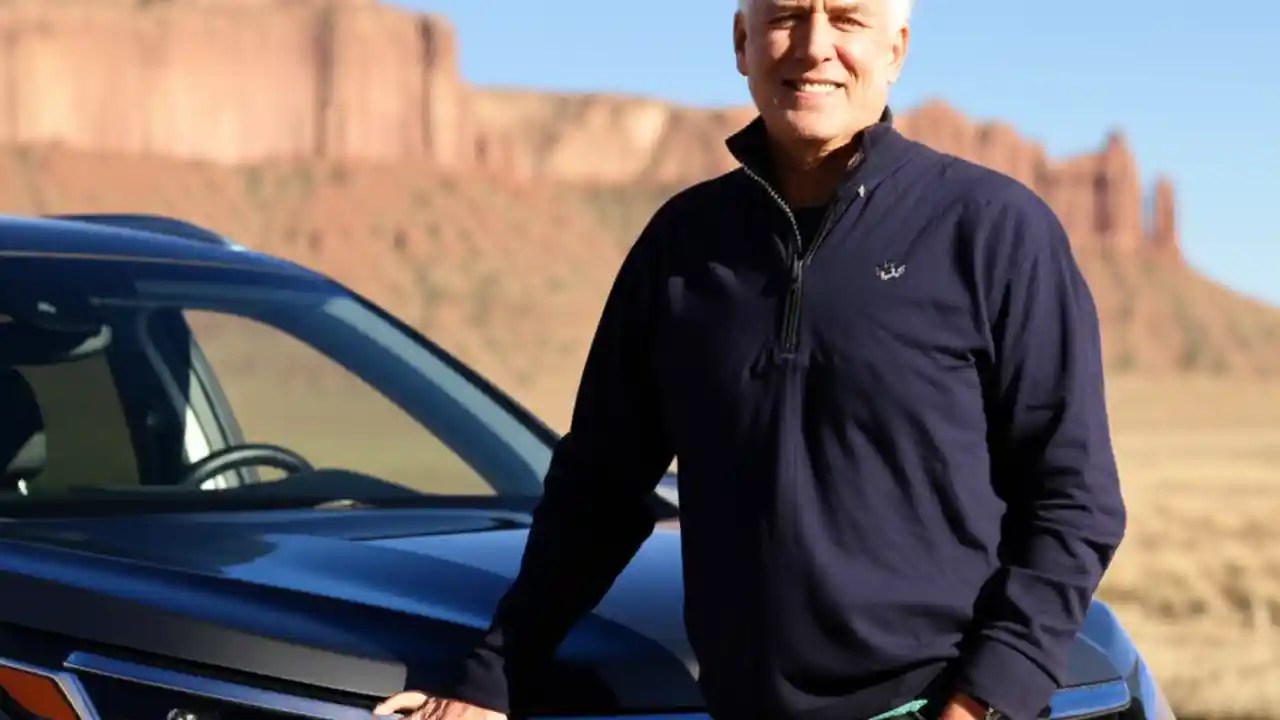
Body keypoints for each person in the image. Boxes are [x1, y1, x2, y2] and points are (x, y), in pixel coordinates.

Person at [375, 0, 1127, 718]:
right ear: (742, 41)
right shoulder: (684, 246)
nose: (813, 47)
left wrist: (980, 703)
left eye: (848, 21)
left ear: (895, 50)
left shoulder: (992, 231)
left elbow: (1074, 502)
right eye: (787, 18)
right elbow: (598, 490)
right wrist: (491, 675)